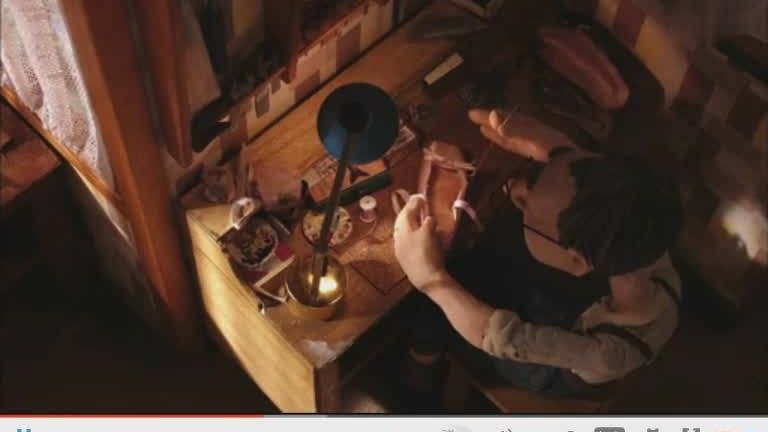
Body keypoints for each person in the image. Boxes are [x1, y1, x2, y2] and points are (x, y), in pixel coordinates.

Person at [394, 108, 684, 401]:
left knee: (436, 303)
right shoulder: (638, 228)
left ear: (576, 261)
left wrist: (430, 277)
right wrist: (555, 148)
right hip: (572, 299)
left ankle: (418, 382)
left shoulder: (607, 355)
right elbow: (593, 181)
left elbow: (499, 336)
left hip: (548, 365)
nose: (518, 192)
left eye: (526, 207)